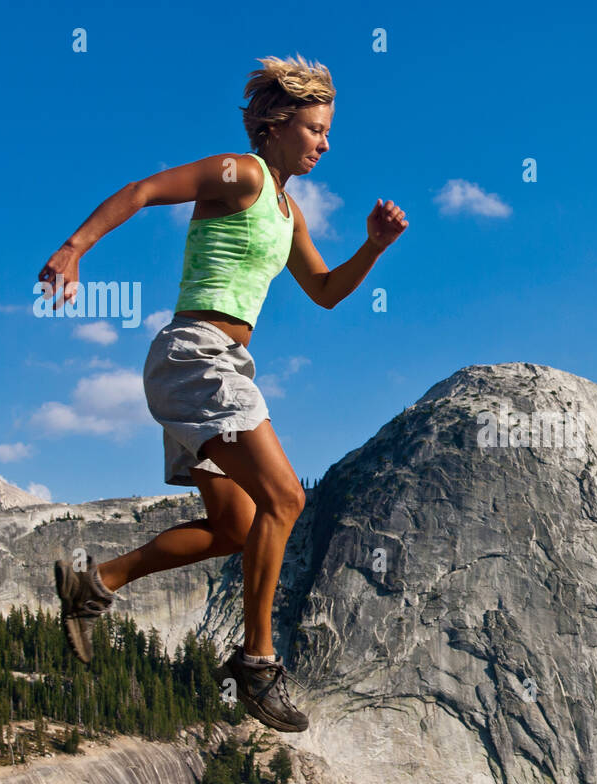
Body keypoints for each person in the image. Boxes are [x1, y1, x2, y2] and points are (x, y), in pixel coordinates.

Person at [40, 54, 407, 733]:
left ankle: (97, 582)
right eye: (315, 129)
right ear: (275, 124)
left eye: (328, 132)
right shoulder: (239, 174)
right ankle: (257, 663)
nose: (325, 143)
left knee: (237, 528)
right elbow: (144, 190)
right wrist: (75, 247)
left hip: (222, 365)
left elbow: (325, 293)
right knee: (286, 498)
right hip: (196, 357)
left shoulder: (289, 212)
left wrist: (374, 248)